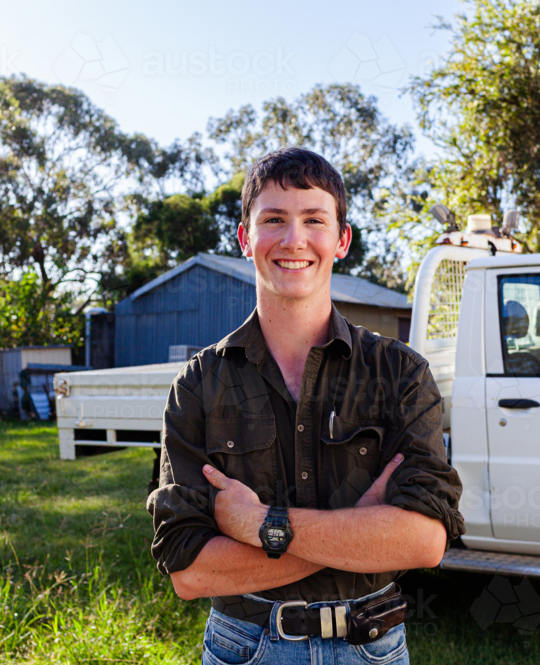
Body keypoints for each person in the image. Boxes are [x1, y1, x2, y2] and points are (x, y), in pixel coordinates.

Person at [146, 147, 464, 665]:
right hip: (244, 648)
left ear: (342, 240)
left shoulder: (400, 374)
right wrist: (359, 526)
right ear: (245, 237)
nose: (294, 239)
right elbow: (191, 572)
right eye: (274, 219)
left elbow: (423, 542)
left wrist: (260, 525)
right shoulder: (199, 385)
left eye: (314, 219)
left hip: (372, 648)